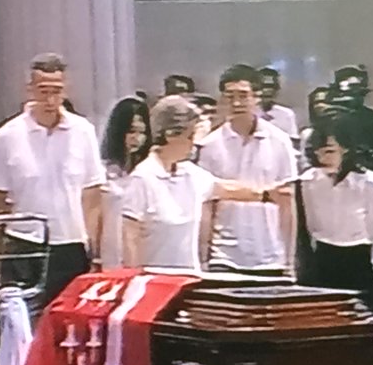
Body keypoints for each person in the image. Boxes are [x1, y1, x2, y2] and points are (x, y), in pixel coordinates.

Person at [0, 52, 105, 318]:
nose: (50, 100)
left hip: (71, 244)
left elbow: (93, 195)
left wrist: (95, 252)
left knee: (70, 322)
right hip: (24, 243)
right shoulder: (8, 135)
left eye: (57, 91)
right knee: (24, 323)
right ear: (29, 90)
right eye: (43, 91)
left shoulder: (83, 131)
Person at [121, 96, 292, 271]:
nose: (195, 144)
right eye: (190, 136)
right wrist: (135, 279)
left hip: (188, 278)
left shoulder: (189, 172)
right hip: (155, 280)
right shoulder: (143, 178)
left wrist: (267, 194)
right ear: (171, 135)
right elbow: (130, 236)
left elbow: (225, 188)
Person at [197, 64, 298, 276]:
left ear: (257, 97)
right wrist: (202, 257)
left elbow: (287, 203)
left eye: (243, 96)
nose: (236, 103)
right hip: (224, 254)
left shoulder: (280, 141)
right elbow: (206, 206)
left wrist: (290, 259)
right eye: (229, 96)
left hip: (270, 255)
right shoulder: (210, 145)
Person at [294, 116, 373, 300]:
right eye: (319, 152)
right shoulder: (308, 180)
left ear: (345, 149)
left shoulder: (367, 180)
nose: (324, 157)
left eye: (330, 151)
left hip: (358, 250)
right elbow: (310, 220)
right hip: (324, 251)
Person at [99, 96, 151, 269]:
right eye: (131, 131)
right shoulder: (103, 171)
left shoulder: (149, 171)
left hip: (142, 250)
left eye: (142, 132)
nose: (137, 138)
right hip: (109, 249)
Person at [257, 67, 300, 142]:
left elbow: (293, 141)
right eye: (264, 86)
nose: (267, 90)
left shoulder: (286, 114)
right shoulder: (248, 113)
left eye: (271, 86)